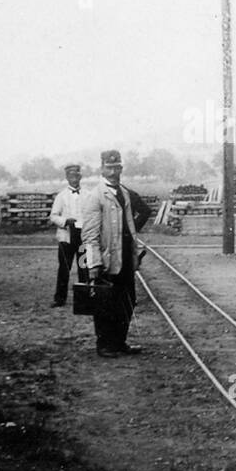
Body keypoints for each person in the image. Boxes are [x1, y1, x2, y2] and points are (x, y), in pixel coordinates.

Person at [80, 149, 146, 358]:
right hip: (107, 258)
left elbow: (129, 225)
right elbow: (90, 234)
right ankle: (105, 345)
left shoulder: (124, 193)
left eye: (117, 167)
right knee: (105, 302)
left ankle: (120, 342)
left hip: (126, 257)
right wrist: (94, 264)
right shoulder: (95, 195)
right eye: (109, 167)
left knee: (127, 300)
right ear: (102, 168)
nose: (113, 171)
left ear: (121, 168)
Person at [48, 163, 84, 307]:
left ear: (80, 176)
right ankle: (60, 298)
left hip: (83, 237)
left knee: (84, 267)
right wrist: (65, 221)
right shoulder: (61, 196)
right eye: (71, 176)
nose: (74, 179)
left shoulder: (88, 194)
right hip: (66, 237)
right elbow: (53, 216)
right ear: (67, 177)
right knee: (64, 268)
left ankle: (84, 299)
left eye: (76, 175)